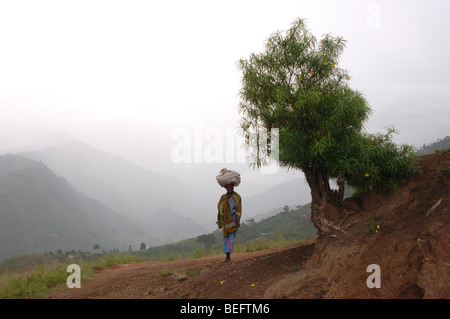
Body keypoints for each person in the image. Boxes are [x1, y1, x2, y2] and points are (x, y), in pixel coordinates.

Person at [217, 183, 242, 262]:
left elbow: (239, 209)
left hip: (233, 221)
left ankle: (228, 256)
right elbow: (219, 207)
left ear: (233, 187)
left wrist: (238, 220)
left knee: (230, 238)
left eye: (231, 187)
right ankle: (227, 255)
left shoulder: (236, 197)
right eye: (228, 187)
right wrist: (221, 219)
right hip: (225, 222)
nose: (229, 188)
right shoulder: (223, 198)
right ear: (225, 188)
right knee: (226, 238)